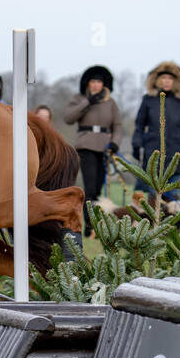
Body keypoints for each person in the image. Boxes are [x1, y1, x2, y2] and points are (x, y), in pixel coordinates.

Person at [63, 65, 123, 237]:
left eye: (99, 82)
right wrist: (88, 102)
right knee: (89, 188)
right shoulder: (79, 99)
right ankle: (89, 226)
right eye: (93, 81)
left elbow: (117, 126)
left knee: (97, 187)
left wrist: (115, 144)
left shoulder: (110, 102)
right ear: (88, 84)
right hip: (86, 145)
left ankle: (97, 223)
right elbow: (68, 118)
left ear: (104, 84)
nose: (96, 85)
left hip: (104, 147)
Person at [131, 61, 180, 202]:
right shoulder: (148, 100)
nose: (167, 81)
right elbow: (139, 125)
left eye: (170, 78)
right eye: (164, 78)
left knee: (172, 200)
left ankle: (172, 224)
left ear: (176, 82)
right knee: (154, 199)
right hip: (153, 155)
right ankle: (154, 223)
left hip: (176, 156)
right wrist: (137, 144)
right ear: (158, 80)